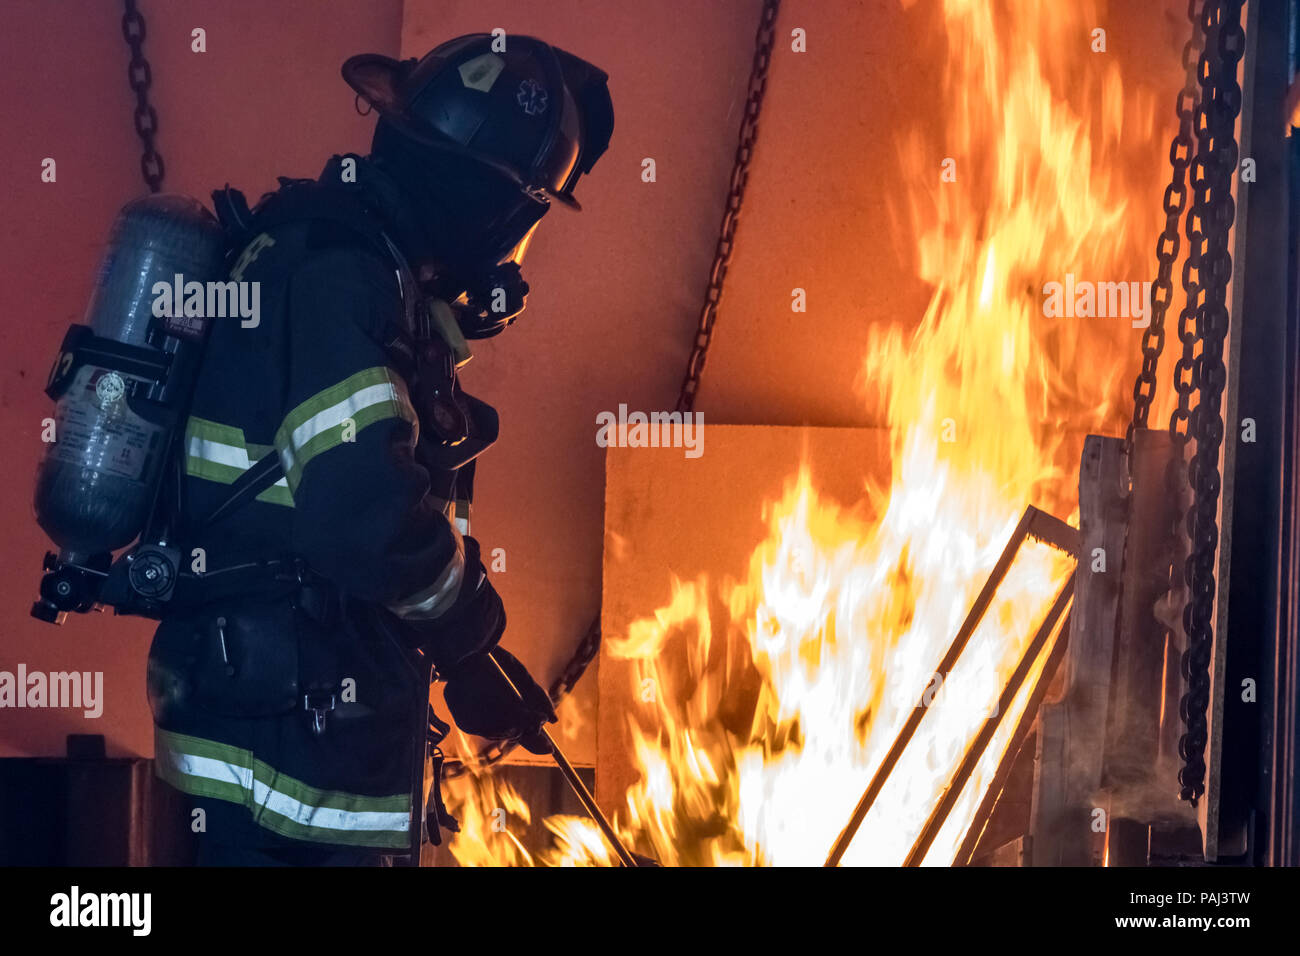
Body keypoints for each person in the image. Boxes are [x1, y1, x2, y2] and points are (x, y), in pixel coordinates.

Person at [145, 33, 614, 866]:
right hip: (289, 779)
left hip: (264, 728)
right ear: (495, 204)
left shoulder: (322, 254)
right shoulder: (343, 276)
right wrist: (471, 630)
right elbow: (361, 513)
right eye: (526, 220)